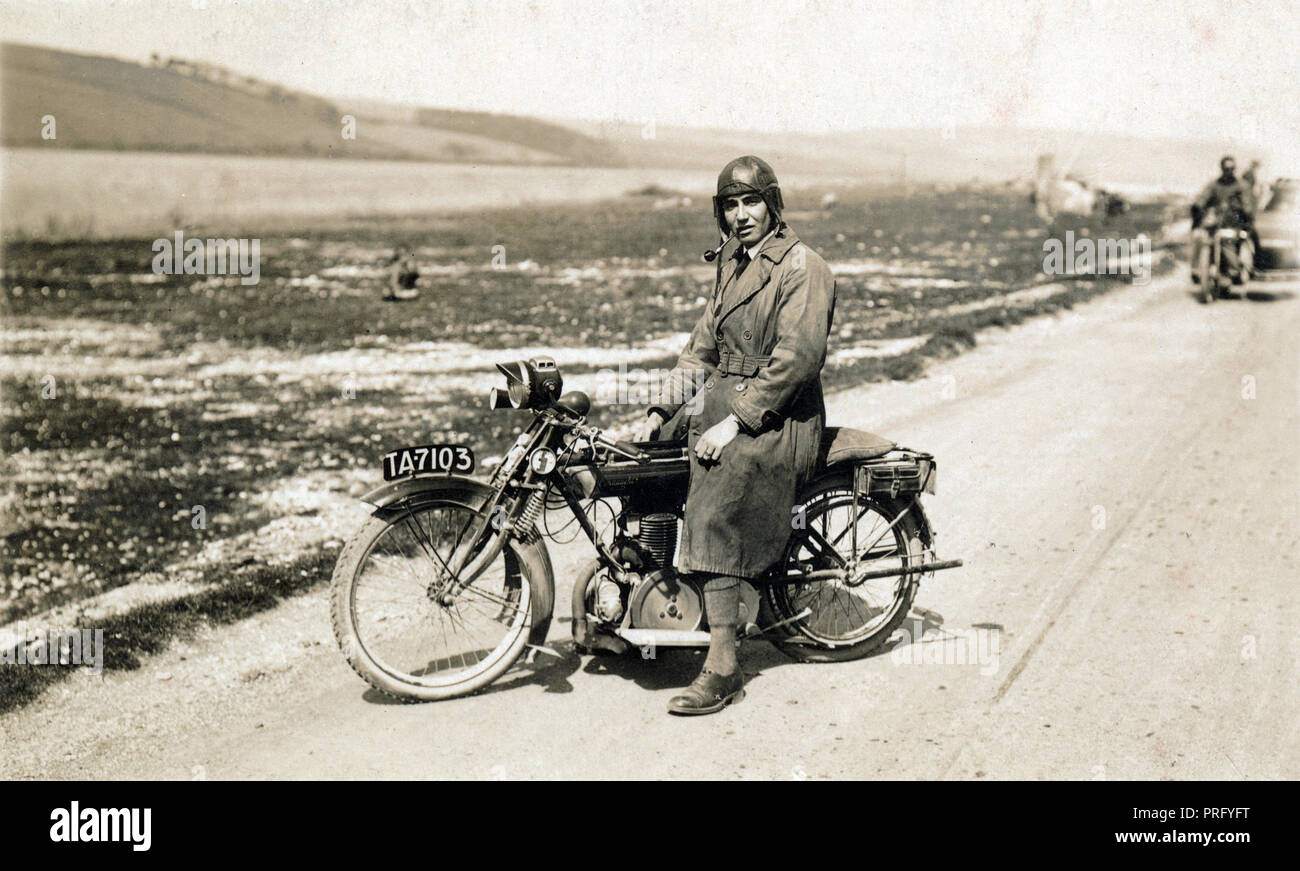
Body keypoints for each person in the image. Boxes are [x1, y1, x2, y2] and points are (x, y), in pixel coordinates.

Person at [634, 156, 837, 715]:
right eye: (730, 204)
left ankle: (724, 667)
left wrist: (734, 421)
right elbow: (702, 345)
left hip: (781, 416)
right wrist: (662, 408)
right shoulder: (732, 260)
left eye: (751, 202)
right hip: (728, 402)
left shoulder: (803, 266)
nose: (741, 215)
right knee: (644, 463)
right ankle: (649, 592)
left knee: (716, 498)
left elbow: (797, 361)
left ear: (773, 203)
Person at [1191, 156, 1256, 282]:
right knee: (1199, 237)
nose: (1229, 171)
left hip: (1234, 223)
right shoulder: (1214, 185)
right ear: (1222, 169)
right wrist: (1197, 207)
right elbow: (1203, 198)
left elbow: (1247, 204)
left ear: (1234, 169)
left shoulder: (1242, 186)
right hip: (1216, 222)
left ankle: (1234, 270)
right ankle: (1196, 271)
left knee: (1227, 242)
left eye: (1231, 169)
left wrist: (1245, 215)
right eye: (1226, 169)